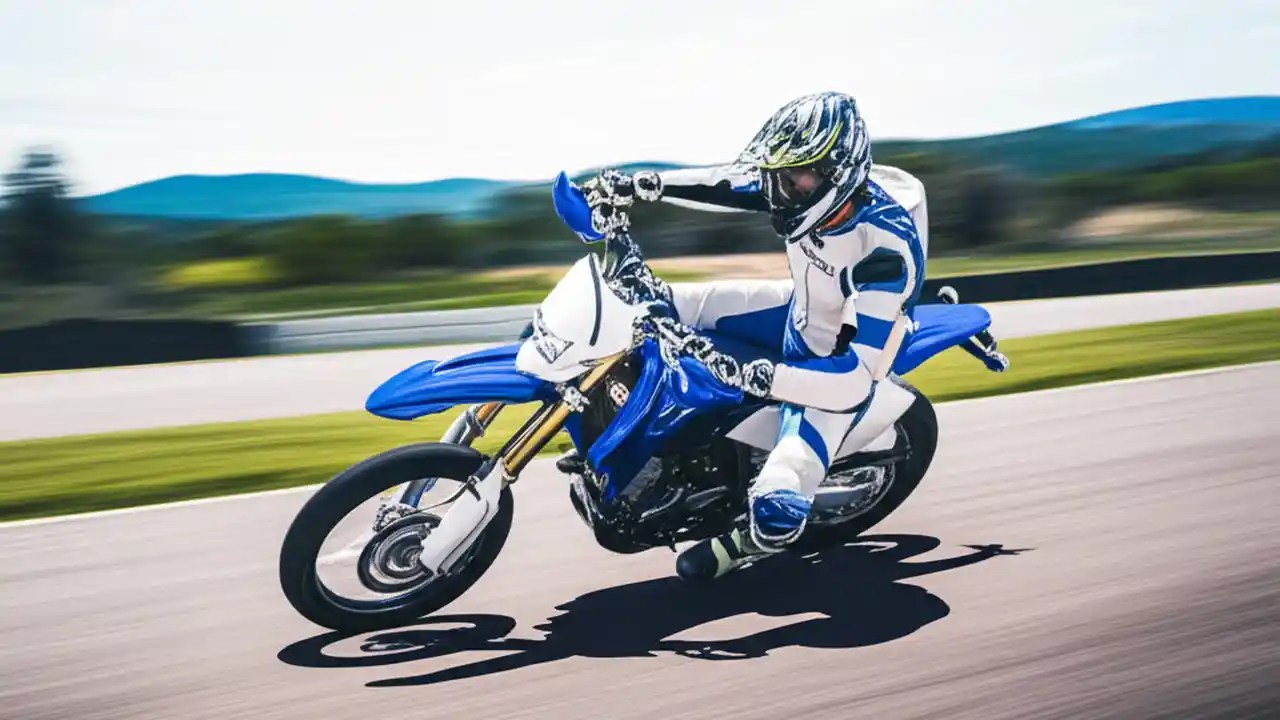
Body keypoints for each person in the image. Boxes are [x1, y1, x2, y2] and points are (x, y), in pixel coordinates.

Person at [581, 91, 931, 580]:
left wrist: (759, 374)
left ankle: (747, 543)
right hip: (798, 310)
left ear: (838, 173)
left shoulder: (885, 254)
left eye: (792, 178)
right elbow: (731, 185)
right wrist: (645, 184)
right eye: (776, 176)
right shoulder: (807, 192)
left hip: (828, 365)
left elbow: (852, 380)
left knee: (777, 503)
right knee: (647, 301)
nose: (776, 191)